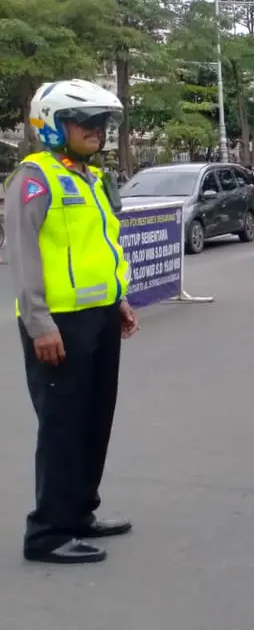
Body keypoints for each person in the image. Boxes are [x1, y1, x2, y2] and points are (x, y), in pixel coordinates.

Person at [5, 79, 139, 564]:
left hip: (99, 317)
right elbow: (22, 256)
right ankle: (47, 533)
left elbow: (99, 251)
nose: (97, 132)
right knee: (61, 425)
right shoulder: (34, 177)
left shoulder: (88, 177)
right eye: (85, 122)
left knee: (93, 419)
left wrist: (118, 300)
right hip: (57, 322)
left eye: (102, 123)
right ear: (54, 125)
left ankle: (79, 512)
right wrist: (39, 324)